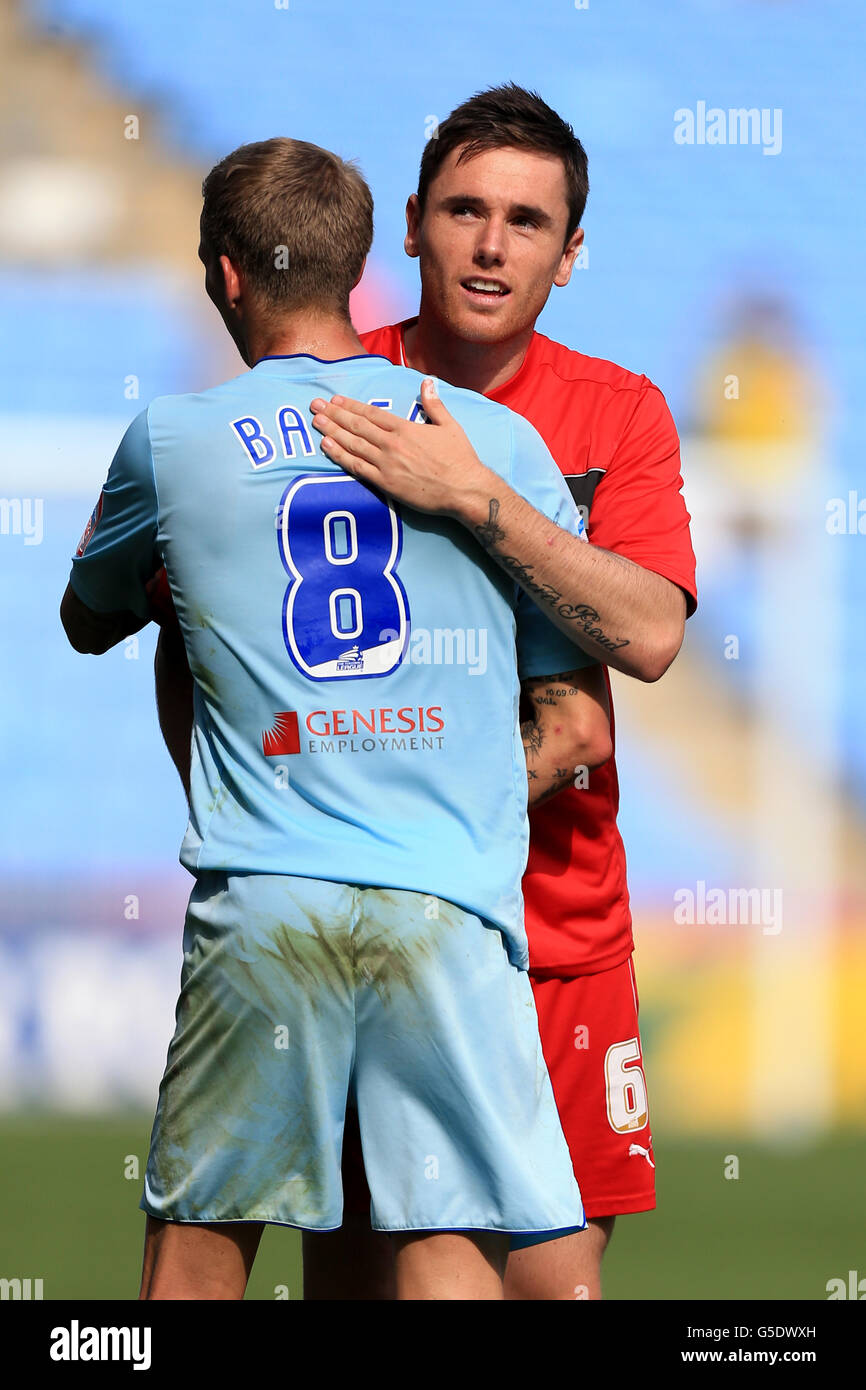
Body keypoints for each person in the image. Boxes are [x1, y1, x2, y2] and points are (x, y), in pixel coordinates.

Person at [59, 136, 612, 1301]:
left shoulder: (171, 439)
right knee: (447, 1248)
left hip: (270, 899)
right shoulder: (495, 443)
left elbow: (89, 615)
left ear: (225, 274)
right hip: (446, 906)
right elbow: (571, 708)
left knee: (196, 1259)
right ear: (361, 266)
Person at [305, 84, 698, 1300]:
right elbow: (175, 623)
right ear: (410, 225)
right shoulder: (326, 392)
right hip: (371, 930)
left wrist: (474, 495)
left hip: (558, 931)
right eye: (464, 210)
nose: (490, 246)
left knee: (551, 1291)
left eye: (526, 222)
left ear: (567, 254)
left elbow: (648, 633)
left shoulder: (617, 412)